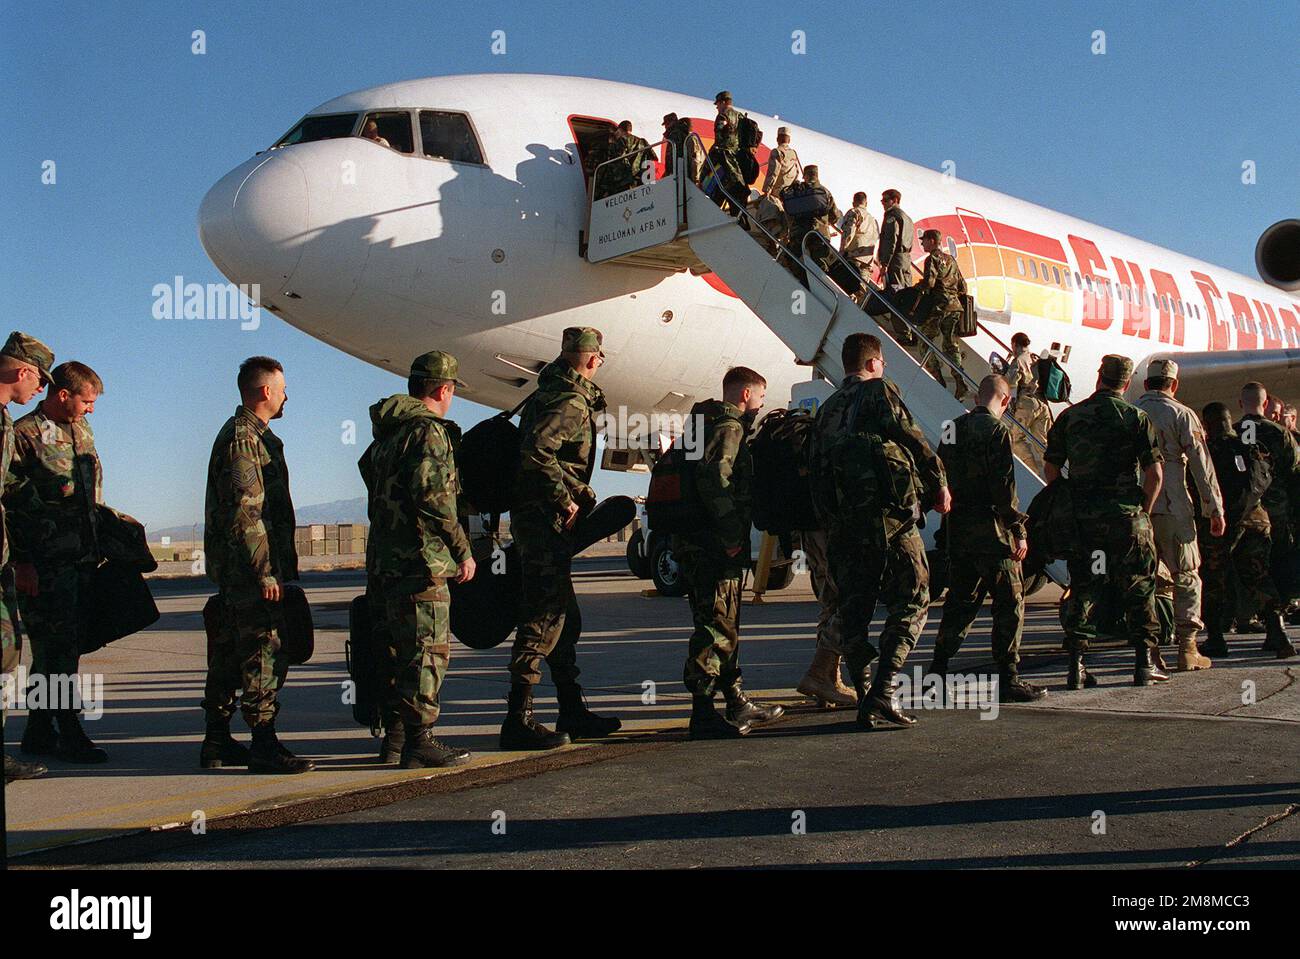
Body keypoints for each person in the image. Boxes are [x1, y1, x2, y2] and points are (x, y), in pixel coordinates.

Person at [809, 333, 951, 728]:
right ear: (873, 363)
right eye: (883, 362)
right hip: (889, 522)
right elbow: (912, 437)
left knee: (855, 610)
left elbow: (816, 474)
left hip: (842, 529)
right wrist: (938, 480)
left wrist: (831, 524)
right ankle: (883, 692)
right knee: (915, 597)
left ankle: (865, 694)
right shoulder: (878, 392)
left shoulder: (827, 409)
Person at [502, 327, 622, 749]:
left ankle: (572, 709)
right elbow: (536, 450)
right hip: (545, 522)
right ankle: (517, 719)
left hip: (539, 521)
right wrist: (564, 499)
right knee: (544, 616)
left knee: (563, 620)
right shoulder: (570, 400)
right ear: (592, 360)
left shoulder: (547, 392)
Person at [359, 351, 476, 768]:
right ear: (443, 389)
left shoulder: (388, 435)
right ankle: (420, 741)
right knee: (427, 651)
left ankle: (395, 739)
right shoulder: (428, 433)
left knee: (395, 651)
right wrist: (462, 549)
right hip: (422, 562)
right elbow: (435, 498)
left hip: (385, 563)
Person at [198, 356, 314, 774]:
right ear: (266, 391)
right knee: (264, 651)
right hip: (250, 571)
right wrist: (265, 570)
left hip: (238, 570)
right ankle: (263, 744)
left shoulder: (252, 436)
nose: (286, 396)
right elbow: (247, 513)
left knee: (228, 653)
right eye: (282, 388)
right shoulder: (244, 439)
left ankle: (216, 741)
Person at [675, 367, 785, 738]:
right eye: (760, 396)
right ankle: (702, 713)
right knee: (715, 628)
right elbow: (714, 478)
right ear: (745, 395)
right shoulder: (729, 427)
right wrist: (729, 535)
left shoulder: (700, 424)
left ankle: (736, 701)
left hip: (695, 542)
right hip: (714, 546)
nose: (761, 403)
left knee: (723, 623)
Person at [1045, 355, 1166, 688]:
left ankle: (1076, 665)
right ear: (1126, 383)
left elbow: (1052, 467)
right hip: (1126, 519)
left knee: (1084, 585)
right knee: (1139, 586)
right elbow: (1154, 472)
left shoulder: (1071, 417)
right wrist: (1143, 508)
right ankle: (1143, 664)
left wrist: (1067, 497)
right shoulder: (1136, 418)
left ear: (1099, 377)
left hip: (1084, 521)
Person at [9, 362, 109, 764]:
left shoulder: (80, 430)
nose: (91, 409)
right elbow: (9, 506)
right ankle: (68, 729)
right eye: (86, 401)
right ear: (62, 395)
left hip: (79, 558)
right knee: (56, 649)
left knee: (61, 651)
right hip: (42, 563)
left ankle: (37, 729)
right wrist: (23, 562)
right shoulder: (23, 435)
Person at [930, 375, 1045, 701]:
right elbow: (1004, 490)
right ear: (1006, 401)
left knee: (960, 604)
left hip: (959, 532)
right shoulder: (997, 431)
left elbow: (939, 476)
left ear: (977, 396)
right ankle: (1008, 677)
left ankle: (936, 671)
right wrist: (1019, 531)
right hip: (993, 535)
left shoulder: (951, 427)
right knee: (1010, 603)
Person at [1135, 359, 1224, 671]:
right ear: (1173, 385)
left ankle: (1151, 650)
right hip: (1174, 505)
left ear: (1146, 384)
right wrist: (1214, 508)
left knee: (1147, 579)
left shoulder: (1130, 412)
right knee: (1185, 575)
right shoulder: (1182, 414)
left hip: (1138, 508)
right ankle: (1187, 649)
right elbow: (1201, 465)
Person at [1197, 402, 1295, 658]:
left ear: (1208, 424)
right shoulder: (1251, 448)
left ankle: (1216, 638)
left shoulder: (1210, 451)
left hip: (1222, 523)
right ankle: (1278, 633)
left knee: (1213, 580)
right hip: (1256, 521)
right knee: (1258, 576)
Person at [0, 332, 55, 784]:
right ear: (22, 372)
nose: (39, 390)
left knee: (6, 655)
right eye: (39, 380)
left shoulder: (2, 421)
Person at [1237, 381, 1299, 643]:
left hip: (1245, 513)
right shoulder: (1281, 434)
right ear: (1265, 404)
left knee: (1249, 568)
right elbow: (1295, 473)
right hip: (1279, 513)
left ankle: (1248, 617)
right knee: (1280, 565)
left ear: (1240, 404)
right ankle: (1278, 620)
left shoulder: (1233, 433)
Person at [794, 526, 857, 708]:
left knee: (831, 599)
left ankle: (829, 679)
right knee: (848, 599)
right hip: (828, 521)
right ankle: (820, 674)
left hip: (815, 522)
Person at [910, 228, 969, 401]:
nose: (922, 244)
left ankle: (937, 378)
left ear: (933, 241)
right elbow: (963, 287)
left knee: (924, 341)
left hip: (939, 307)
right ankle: (960, 382)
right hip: (955, 307)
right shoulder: (951, 260)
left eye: (924, 240)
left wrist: (916, 289)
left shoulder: (932, 259)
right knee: (950, 346)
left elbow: (929, 282)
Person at [781, 165, 840, 283]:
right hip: (820, 235)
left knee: (794, 260)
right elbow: (835, 216)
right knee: (820, 264)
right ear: (816, 175)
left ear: (805, 176)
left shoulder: (798, 191)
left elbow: (787, 205)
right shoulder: (824, 192)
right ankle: (821, 286)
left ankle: (801, 281)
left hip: (799, 234)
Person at [1005, 332, 1050, 474]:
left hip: (1027, 405)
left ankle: (1033, 474)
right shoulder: (1035, 357)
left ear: (1015, 344)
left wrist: (1009, 405)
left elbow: (1011, 384)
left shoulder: (1018, 360)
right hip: (1042, 404)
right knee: (1043, 444)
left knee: (1015, 439)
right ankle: (1054, 476)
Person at [877, 189, 916, 342]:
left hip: (896, 260)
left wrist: (885, 262)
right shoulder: (907, 218)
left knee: (896, 297)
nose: (883, 204)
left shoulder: (892, 216)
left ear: (895, 200)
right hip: (906, 260)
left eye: (885, 200)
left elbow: (890, 241)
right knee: (906, 296)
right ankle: (910, 330)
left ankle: (904, 334)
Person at [708, 91, 747, 212]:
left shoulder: (723, 115)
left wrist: (713, 152)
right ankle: (739, 214)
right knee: (736, 186)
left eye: (718, 104)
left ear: (723, 102)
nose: (717, 107)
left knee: (716, 184)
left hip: (724, 155)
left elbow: (719, 136)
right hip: (738, 156)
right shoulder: (740, 116)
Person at [839, 192, 878, 303]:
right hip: (867, 263)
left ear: (853, 202)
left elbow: (848, 233)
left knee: (846, 291)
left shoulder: (854, 212)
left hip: (853, 258)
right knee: (859, 294)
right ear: (866, 203)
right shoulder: (873, 220)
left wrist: (842, 251)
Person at [761, 126, 801, 204]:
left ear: (777, 139)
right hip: (788, 193)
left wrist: (766, 191)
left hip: (777, 192)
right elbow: (797, 172)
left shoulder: (777, 151)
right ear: (789, 140)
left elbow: (773, 172)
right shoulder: (793, 153)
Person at [662, 112, 698, 182]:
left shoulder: (675, 134)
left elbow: (674, 155)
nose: (665, 126)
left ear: (672, 122)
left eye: (667, 123)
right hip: (684, 172)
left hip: (678, 174)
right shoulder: (682, 133)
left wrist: (669, 173)